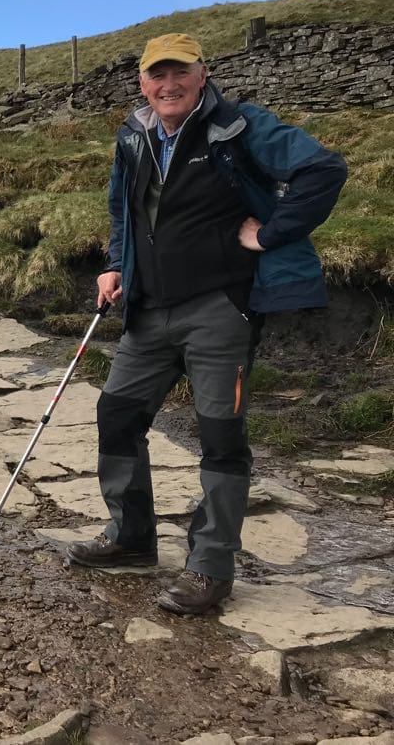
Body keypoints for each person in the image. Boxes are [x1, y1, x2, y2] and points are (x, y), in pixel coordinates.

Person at [66, 33, 347, 615]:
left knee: (220, 437)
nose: (168, 85)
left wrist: (271, 235)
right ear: (142, 82)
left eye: (180, 73)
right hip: (147, 310)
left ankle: (210, 568)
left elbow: (323, 168)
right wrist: (116, 265)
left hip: (220, 310)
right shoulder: (133, 135)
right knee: (116, 416)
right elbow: (123, 208)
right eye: (156, 75)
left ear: (202, 74)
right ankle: (131, 538)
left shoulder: (239, 125)